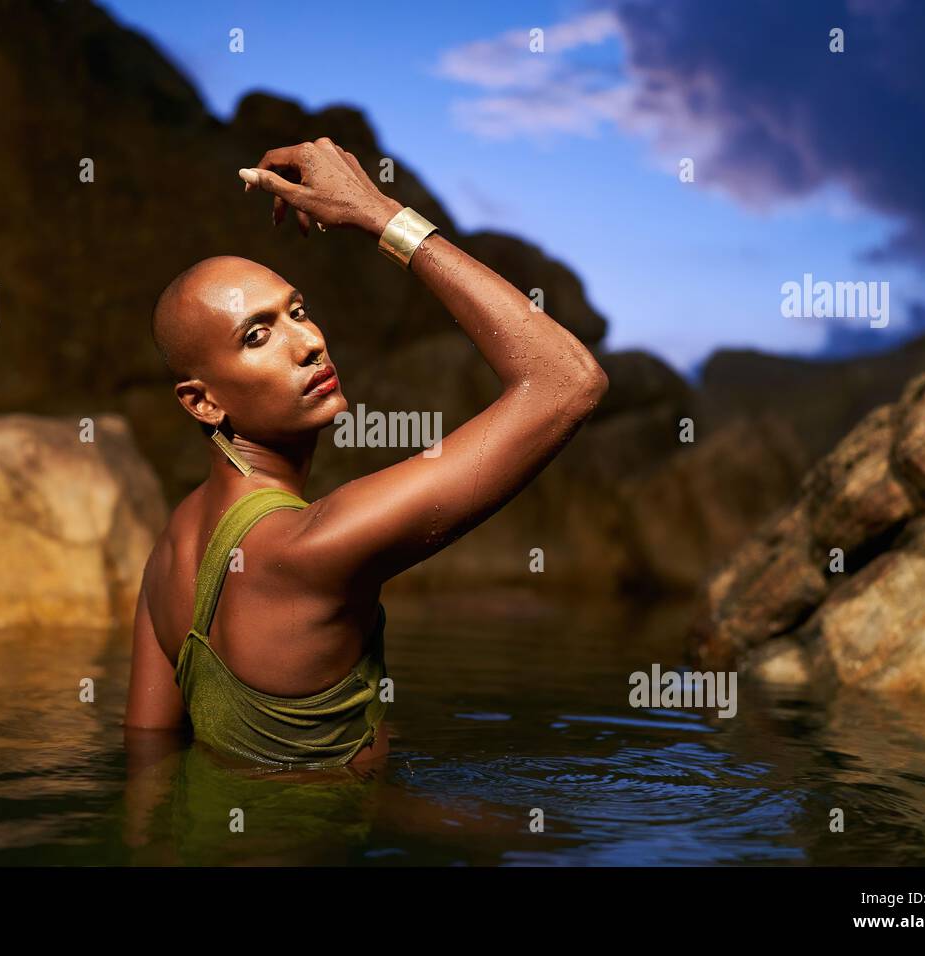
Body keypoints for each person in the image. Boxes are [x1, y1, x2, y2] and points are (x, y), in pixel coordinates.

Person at [124, 137, 608, 770]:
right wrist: (380, 215)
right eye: (258, 336)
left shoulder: (170, 551)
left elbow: (148, 756)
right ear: (202, 403)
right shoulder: (313, 547)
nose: (309, 343)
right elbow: (568, 381)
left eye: (298, 310)